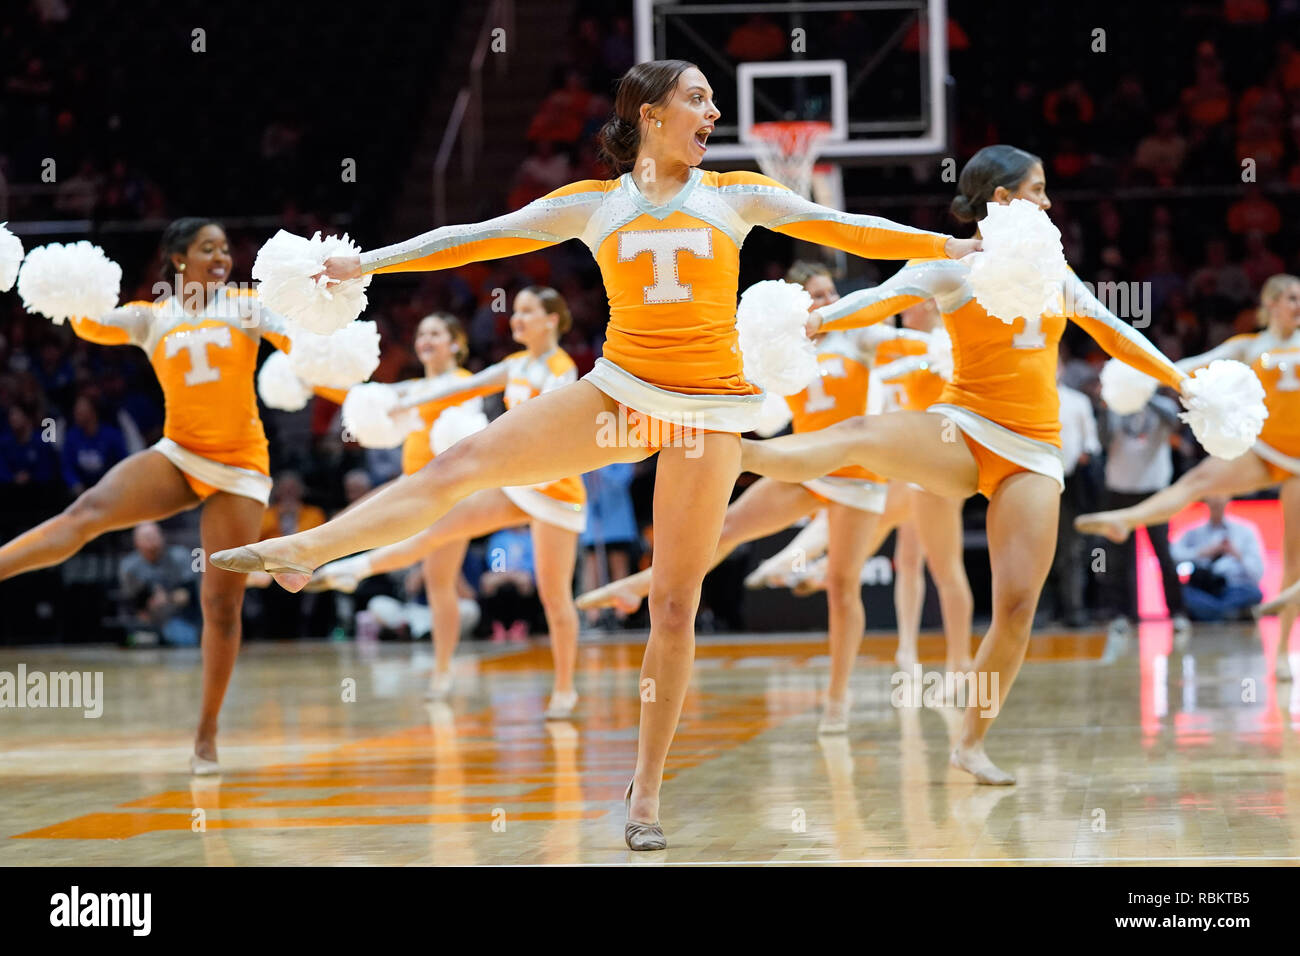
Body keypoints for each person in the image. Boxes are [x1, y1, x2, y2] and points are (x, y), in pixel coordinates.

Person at [209, 59, 975, 849]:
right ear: (650, 114)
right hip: (618, 394)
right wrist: (364, 262)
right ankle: (307, 548)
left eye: (712, 100)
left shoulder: (738, 192)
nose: (713, 112)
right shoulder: (595, 204)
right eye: (698, 99)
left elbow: (845, 229)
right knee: (459, 465)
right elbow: (472, 240)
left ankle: (644, 793)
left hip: (708, 414)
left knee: (674, 605)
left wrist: (944, 246)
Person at [737, 144, 1190, 785]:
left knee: (1015, 608)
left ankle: (970, 743)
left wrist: (1179, 380)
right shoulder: (951, 264)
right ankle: (742, 452)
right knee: (860, 434)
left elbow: (1114, 331)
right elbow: (877, 299)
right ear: (1002, 200)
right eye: (1037, 189)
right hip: (963, 428)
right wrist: (810, 322)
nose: (1048, 202)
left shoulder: (1054, 272)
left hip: (1033, 449)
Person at [575, 260, 943, 735]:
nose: (828, 301)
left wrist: (935, 349)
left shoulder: (861, 338)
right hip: (805, 464)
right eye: (817, 294)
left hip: (857, 474)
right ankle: (639, 585)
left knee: (842, 584)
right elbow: (764, 415)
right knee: (725, 529)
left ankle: (836, 700)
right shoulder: (784, 351)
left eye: (832, 292)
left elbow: (911, 346)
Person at [0, 218, 299, 774]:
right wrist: (64, 288)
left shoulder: (248, 306)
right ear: (177, 258)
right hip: (179, 455)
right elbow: (88, 323)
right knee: (86, 511)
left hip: (240, 468)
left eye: (225, 249)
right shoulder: (151, 317)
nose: (221, 257)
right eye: (207, 247)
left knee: (220, 604)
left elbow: (300, 341)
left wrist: (319, 335)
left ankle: (207, 734)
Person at [307, 289, 589, 718]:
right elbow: (469, 386)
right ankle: (353, 568)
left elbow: (552, 421)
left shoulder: (560, 368)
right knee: (440, 527)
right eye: (515, 311)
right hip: (517, 482)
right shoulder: (515, 365)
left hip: (557, 491)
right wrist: (402, 402)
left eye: (528, 311)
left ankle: (566, 689)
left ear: (552, 320)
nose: (517, 318)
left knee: (554, 595)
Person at [1076, 274, 1300, 680]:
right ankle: (1126, 519)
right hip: (1265, 451)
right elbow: (1190, 366)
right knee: (1196, 481)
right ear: (1270, 303)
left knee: (1294, 557)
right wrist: (1145, 376)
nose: (1297, 306)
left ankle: (1283, 653)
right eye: (1291, 298)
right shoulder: (1249, 344)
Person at [1096, 392, 1189, 641]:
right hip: (1119, 490)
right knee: (1116, 558)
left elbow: (1174, 421)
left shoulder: (1162, 405)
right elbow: (1103, 441)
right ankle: (1122, 615)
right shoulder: (1116, 405)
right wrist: (1109, 406)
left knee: (1163, 554)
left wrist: (1142, 395)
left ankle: (1177, 612)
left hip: (1154, 491)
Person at [1048, 369, 1100, 627]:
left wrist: (1083, 456)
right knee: (1041, 547)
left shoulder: (1077, 401)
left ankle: (1074, 609)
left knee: (1072, 549)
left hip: (1072, 483)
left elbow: (1091, 442)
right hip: (1038, 480)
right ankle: (1044, 611)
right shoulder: (1029, 397)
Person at [1170, 495, 1265, 621]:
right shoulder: (1193, 532)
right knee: (1184, 594)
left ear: (1228, 498)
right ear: (1206, 499)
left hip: (1235, 587)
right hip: (1205, 589)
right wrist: (1201, 553)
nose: (1217, 500)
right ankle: (1230, 614)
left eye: (1221, 495)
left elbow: (1257, 574)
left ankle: (1214, 614)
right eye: (1214, 495)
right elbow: (1172, 557)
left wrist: (1236, 554)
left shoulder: (1245, 530)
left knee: (1253, 593)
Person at [118, 521, 199, 646]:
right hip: (147, 621)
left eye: (154, 536)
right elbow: (133, 601)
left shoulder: (180, 557)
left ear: (162, 537)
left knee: (182, 637)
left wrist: (167, 598)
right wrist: (148, 606)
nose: (152, 542)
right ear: (136, 542)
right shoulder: (129, 566)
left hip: (179, 618)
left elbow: (188, 594)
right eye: (146, 538)